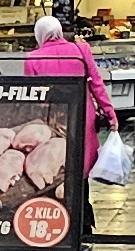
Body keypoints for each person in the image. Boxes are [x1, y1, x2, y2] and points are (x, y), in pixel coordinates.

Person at [20, 13, 121, 154]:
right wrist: (110, 113)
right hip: (83, 112)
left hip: (53, 116)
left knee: (59, 158)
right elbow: (96, 83)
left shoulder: (32, 58)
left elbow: (34, 96)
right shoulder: (81, 49)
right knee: (82, 156)